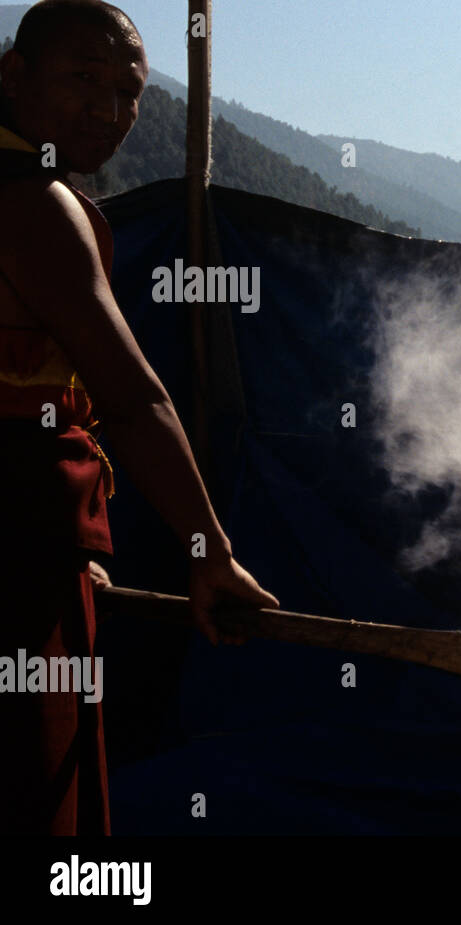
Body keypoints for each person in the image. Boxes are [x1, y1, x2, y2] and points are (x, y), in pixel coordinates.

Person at [0, 0, 278, 835]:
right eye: (82, 79)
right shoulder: (33, 204)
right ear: (13, 75)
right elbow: (133, 398)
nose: (110, 112)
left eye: (128, 92)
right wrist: (212, 555)